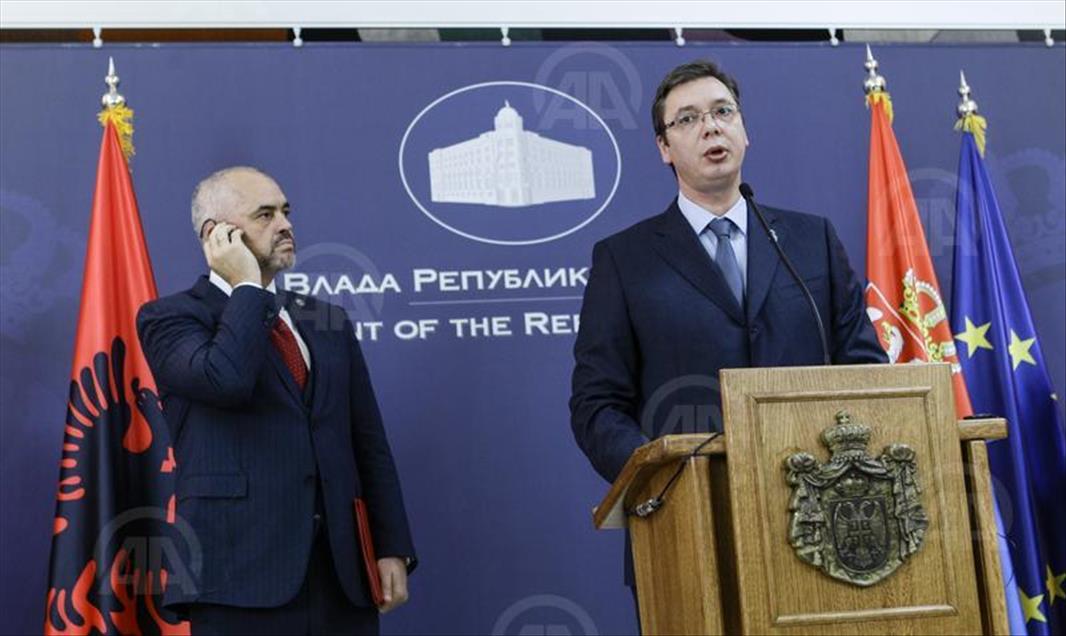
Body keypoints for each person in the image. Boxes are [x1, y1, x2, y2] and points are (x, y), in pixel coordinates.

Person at [569, 60, 887, 604]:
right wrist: (659, 472)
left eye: (722, 112)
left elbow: (865, 371)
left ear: (744, 130)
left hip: (823, 527)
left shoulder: (810, 241)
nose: (710, 127)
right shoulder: (624, 260)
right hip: (685, 531)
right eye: (688, 119)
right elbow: (596, 404)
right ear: (664, 148)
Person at [137, 166, 416, 635]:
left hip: (341, 576)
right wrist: (247, 286)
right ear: (217, 234)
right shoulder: (169, 318)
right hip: (237, 577)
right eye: (264, 215)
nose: (285, 225)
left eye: (286, 211)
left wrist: (391, 546)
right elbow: (225, 381)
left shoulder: (326, 319)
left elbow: (367, 441)